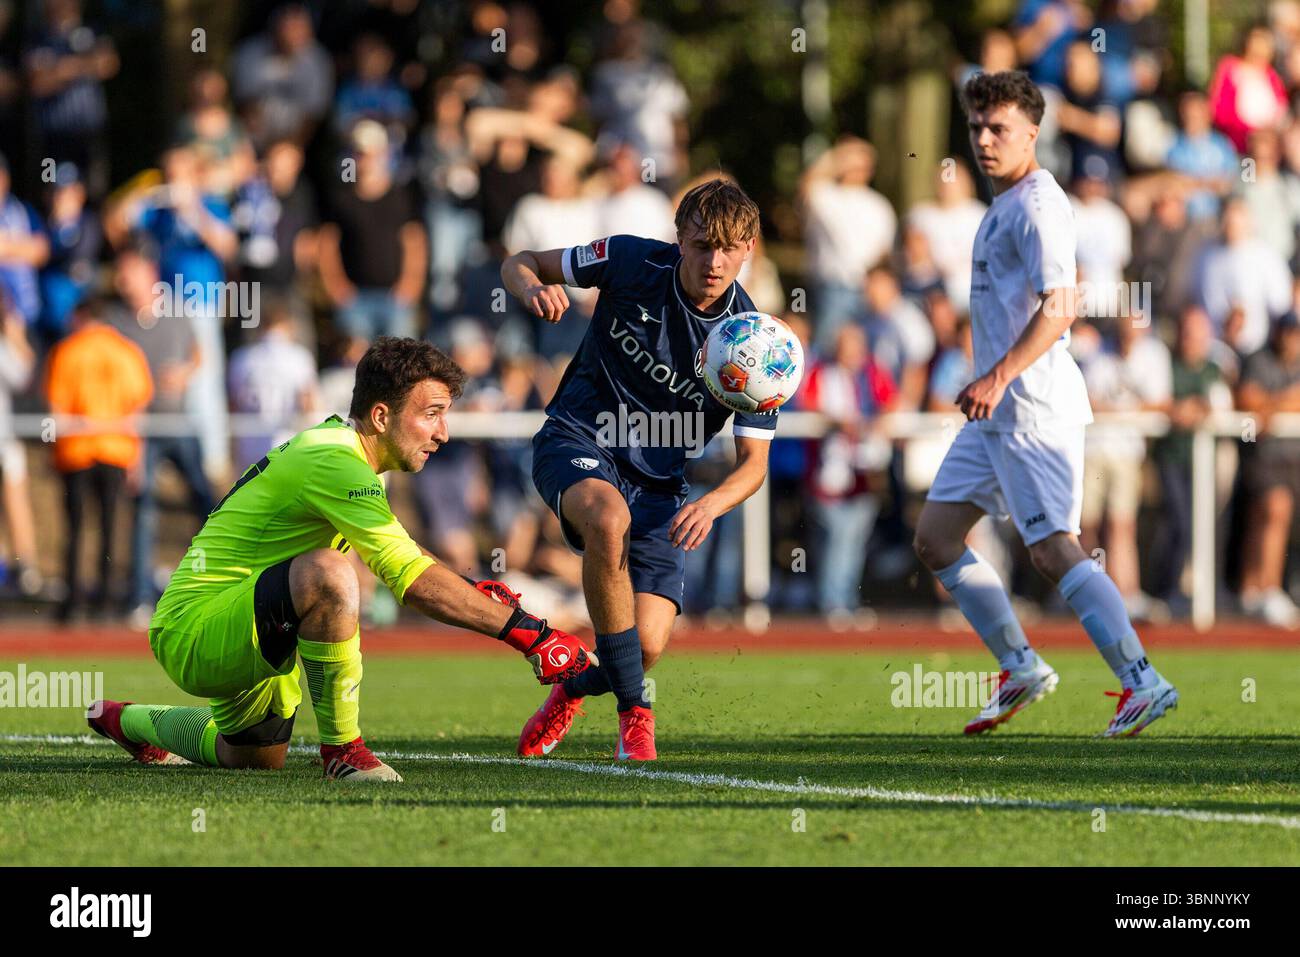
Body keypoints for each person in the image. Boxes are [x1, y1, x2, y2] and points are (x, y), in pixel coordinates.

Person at [87, 337, 595, 782]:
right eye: (432, 413)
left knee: (252, 760)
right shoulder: (337, 461)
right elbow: (409, 577)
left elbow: (406, 551)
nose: (443, 433)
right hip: (196, 630)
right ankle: (342, 751)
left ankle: (125, 720)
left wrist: (478, 593)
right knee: (331, 573)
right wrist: (532, 634)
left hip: (245, 621)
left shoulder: (344, 457)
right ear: (381, 415)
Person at [912, 70, 1178, 738]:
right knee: (936, 537)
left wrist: (997, 376)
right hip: (997, 412)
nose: (984, 139)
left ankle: (1142, 679)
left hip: (1032, 408)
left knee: (1054, 550)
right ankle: (1020, 664)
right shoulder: (1000, 204)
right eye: (976, 127)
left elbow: (1062, 304)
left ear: (1034, 133)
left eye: (998, 128)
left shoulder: (1036, 204)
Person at [501, 179, 779, 760]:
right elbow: (521, 261)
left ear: (749, 246)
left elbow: (754, 466)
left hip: (662, 488)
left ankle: (573, 684)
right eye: (702, 244)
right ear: (679, 238)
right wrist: (530, 289)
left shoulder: (755, 348)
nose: (714, 260)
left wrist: (712, 503)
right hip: (576, 438)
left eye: (729, 247)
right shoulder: (629, 259)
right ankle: (636, 717)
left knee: (642, 645)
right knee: (607, 519)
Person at [44, 297, 153, 622]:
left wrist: (52, 448)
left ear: (80, 316)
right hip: (116, 450)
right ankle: (106, 600)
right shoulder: (127, 351)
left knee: (75, 527)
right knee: (109, 527)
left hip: (76, 450)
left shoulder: (67, 351)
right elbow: (138, 410)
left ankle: (74, 600)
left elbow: (55, 410)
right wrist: (137, 458)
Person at [1235, 310, 1300, 628]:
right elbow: (1247, 399)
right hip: (1262, 459)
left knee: (1272, 515)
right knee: (1273, 510)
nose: (1292, 340)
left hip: (1293, 462)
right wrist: (1280, 402)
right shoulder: (1259, 359)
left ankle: (1258, 590)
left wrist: (1273, 404)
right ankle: (1265, 590)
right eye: (1289, 333)